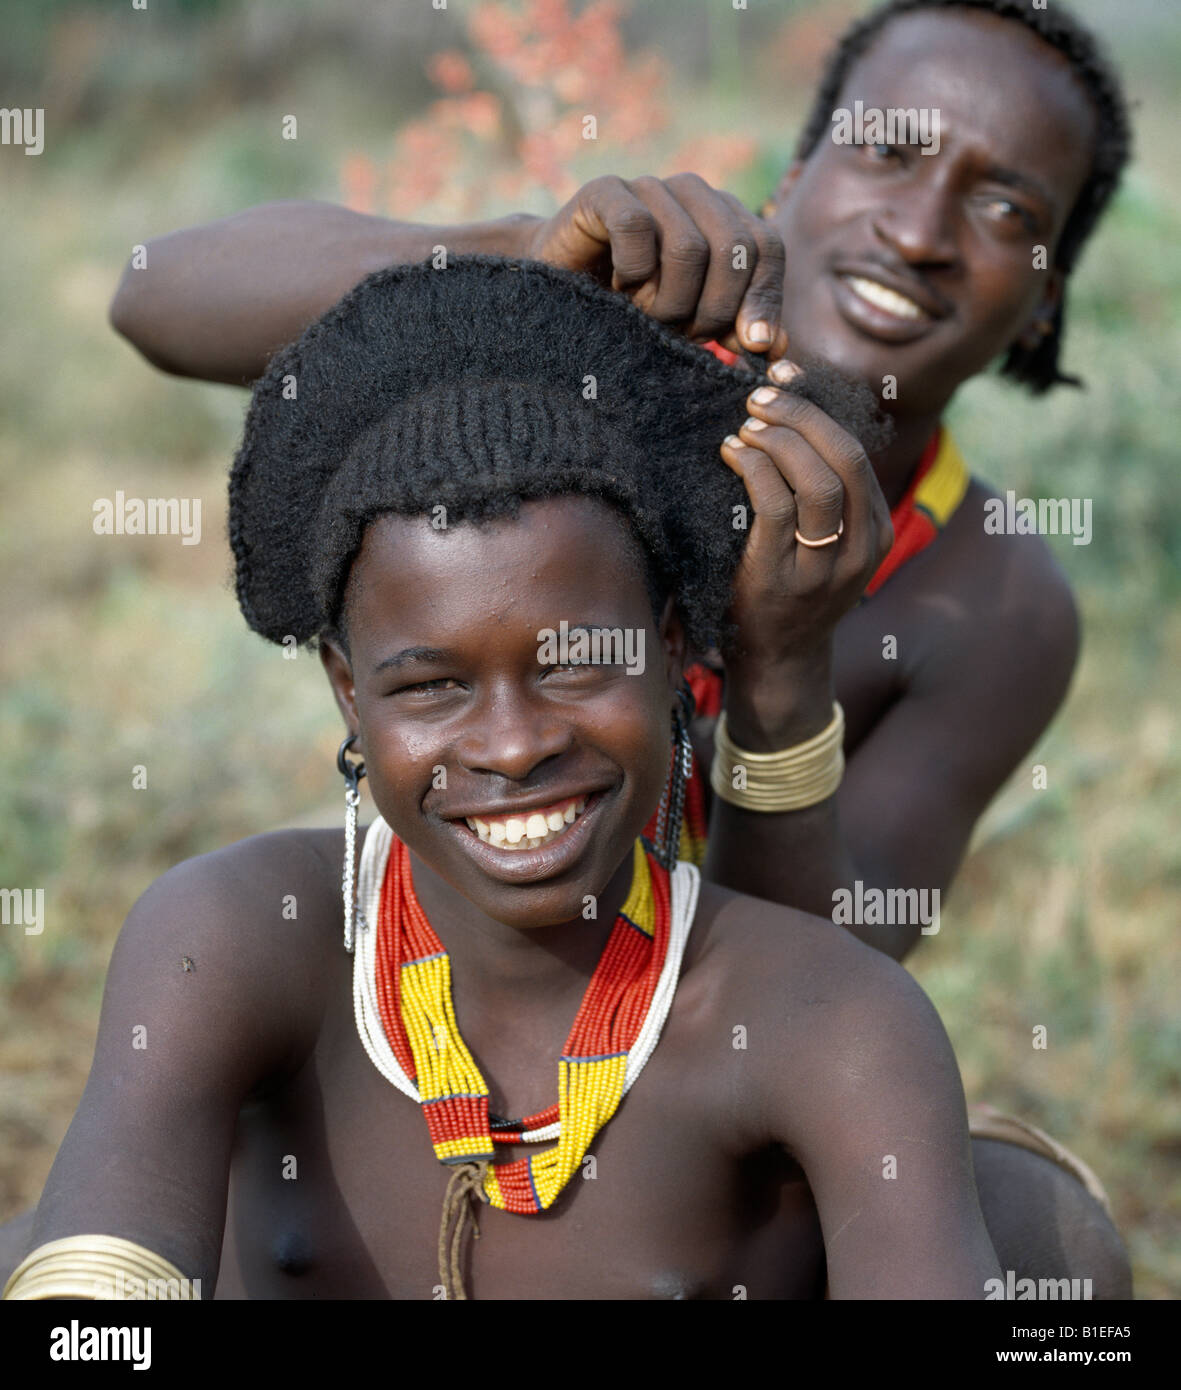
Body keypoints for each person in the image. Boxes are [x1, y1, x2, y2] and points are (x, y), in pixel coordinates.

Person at [6, 259, 1008, 1300]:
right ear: (350, 694)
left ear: (670, 647)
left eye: (573, 662)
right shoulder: (230, 936)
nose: (513, 742)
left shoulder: (831, 1016)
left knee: (1037, 1230)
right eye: (431, 685)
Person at [107, 0, 1133, 962]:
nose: (916, 235)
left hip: (700, 1089)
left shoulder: (993, 599)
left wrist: (783, 669)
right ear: (795, 175)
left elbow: (837, 978)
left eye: (1002, 205)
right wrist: (514, 270)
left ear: (1043, 297)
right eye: (884, 154)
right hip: (426, 987)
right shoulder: (592, 375)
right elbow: (156, 294)